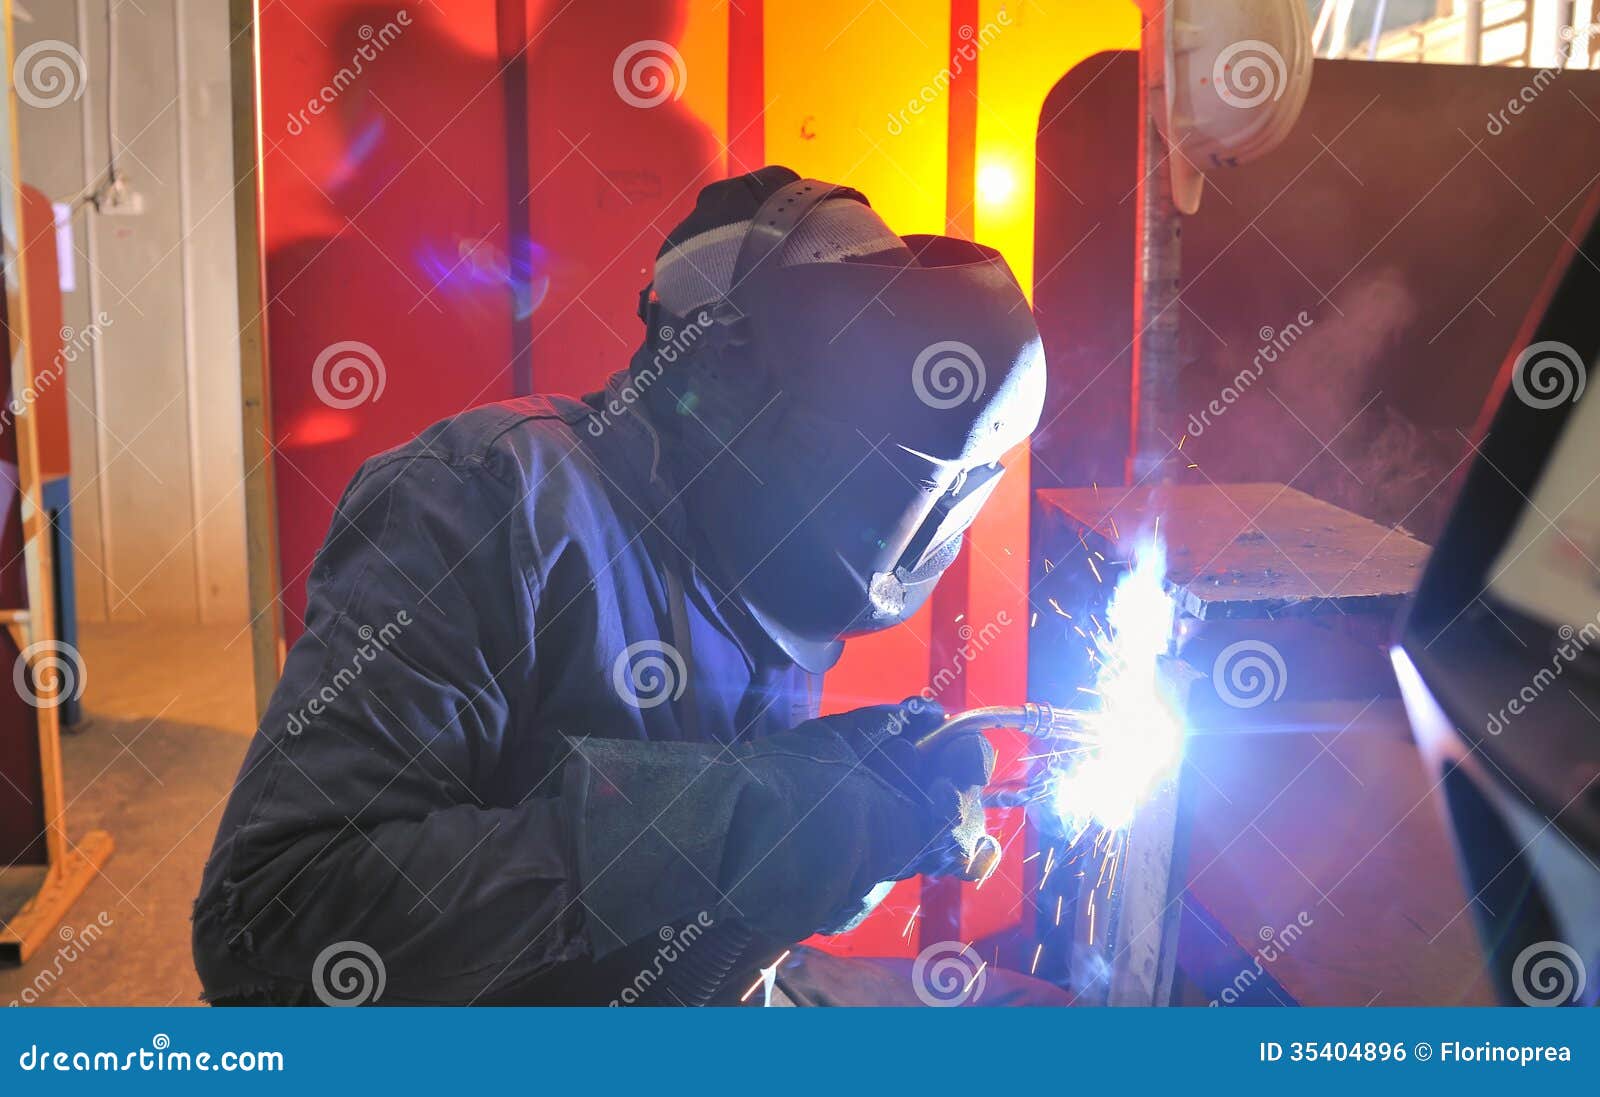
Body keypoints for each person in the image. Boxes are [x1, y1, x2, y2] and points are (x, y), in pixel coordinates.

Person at [192, 167, 1057, 1005]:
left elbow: (709, 906)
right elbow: (267, 915)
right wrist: (733, 822)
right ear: (721, 367)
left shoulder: (769, 564)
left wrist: (835, 825)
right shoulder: (487, 499)